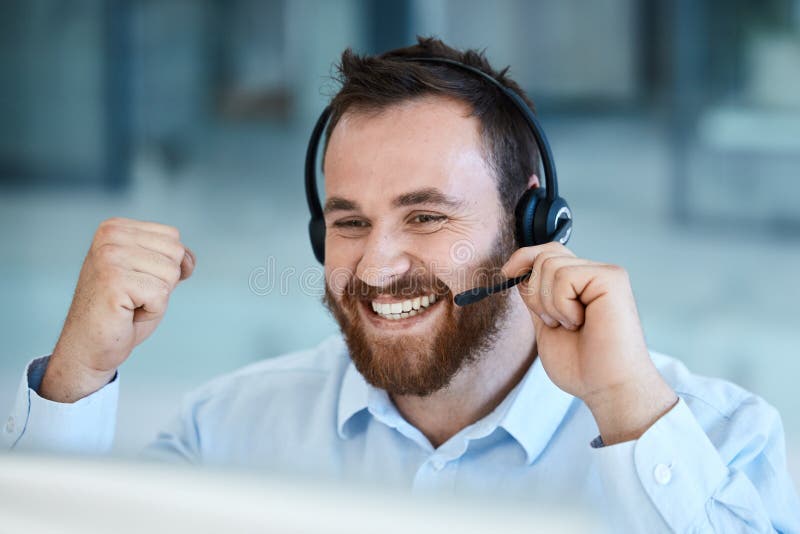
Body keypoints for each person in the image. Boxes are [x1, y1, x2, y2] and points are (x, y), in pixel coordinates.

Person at [4, 37, 799, 532]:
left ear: (533, 225)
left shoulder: (728, 443)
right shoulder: (229, 428)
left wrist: (627, 410)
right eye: (349, 222)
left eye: (425, 218)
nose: (377, 267)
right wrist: (77, 379)